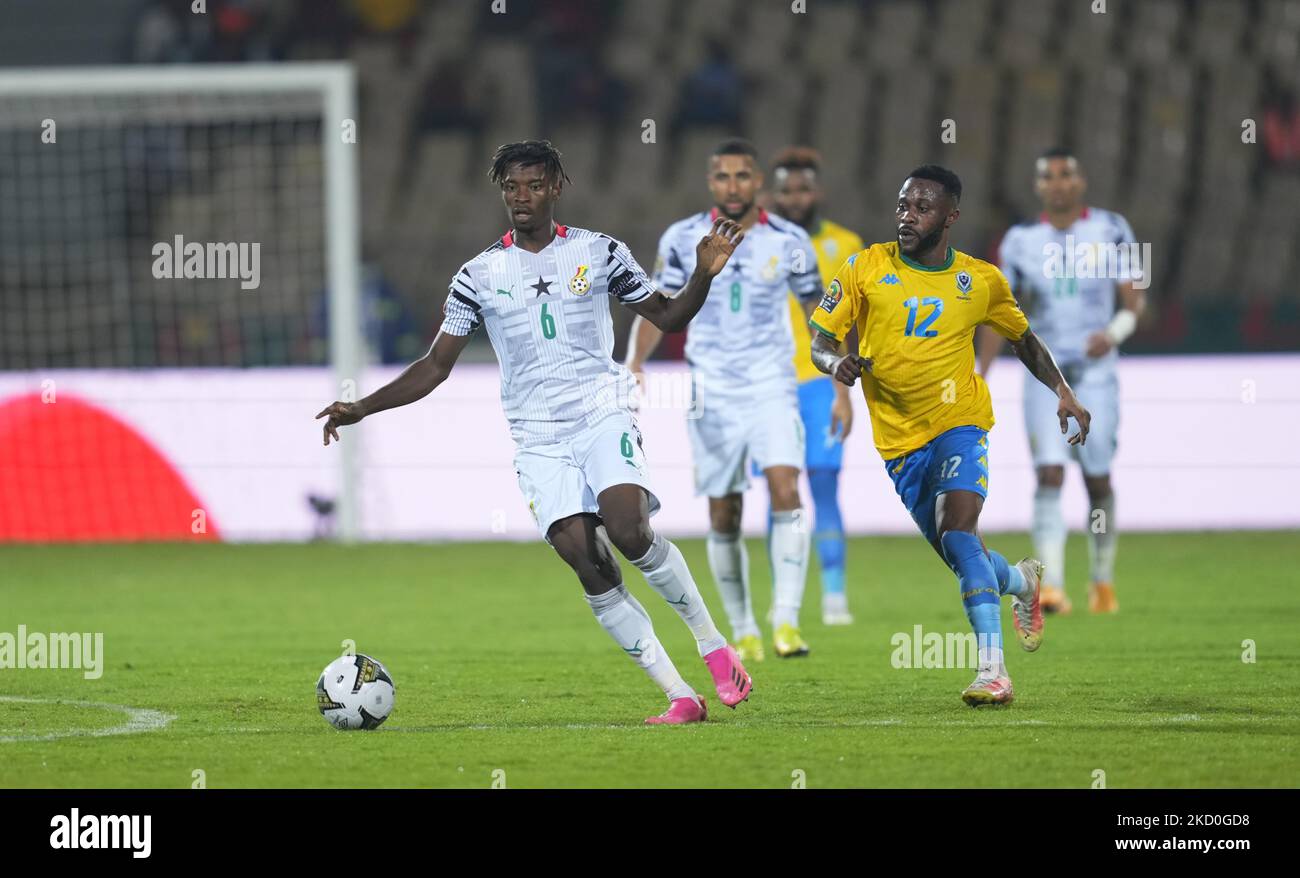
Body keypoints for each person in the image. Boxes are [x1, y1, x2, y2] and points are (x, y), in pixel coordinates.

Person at [317, 141, 752, 724]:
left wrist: (703, 273)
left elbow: (669, 316)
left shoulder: (601, 253)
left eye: (533, 185)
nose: (521, 197)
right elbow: (434, 366)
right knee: (588, 563)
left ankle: (712, 645)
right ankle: (679, 695)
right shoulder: (477, 276)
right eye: (511, 188)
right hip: (538, 437)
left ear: (556, 187)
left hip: (601, 412)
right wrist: (362, 407)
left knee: (627, 530)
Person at [809, 165, 1092, 706]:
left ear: (950, 217)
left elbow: (1023, 338)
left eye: (921, 208)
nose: (907, 216)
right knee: (962, 555)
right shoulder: (865, 266)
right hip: (900, 442)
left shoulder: (980, 280)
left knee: (959, 531)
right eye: (902, 205)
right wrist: (833, 364)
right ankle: (1024, 583)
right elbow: (820, 335)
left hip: (960, 421)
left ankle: (993, 672)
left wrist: (1063, 390)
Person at [626, 139, 822, 662]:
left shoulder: (792, 240)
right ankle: (743, 627)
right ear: (711, 183)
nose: (732, 186)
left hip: (771, 384)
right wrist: (635, 364)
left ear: (757, 182)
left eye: (742, 176)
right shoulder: (683, 236)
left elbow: (816, 313)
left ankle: (786, 621)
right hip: (709, 388)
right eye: (722, 177)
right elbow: (658, 304)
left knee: (786, 486)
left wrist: (839, 382)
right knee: (724, 510)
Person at [978, 148, 1146, 614]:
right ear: (1038, 187)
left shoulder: (1113, 229)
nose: (1057, 183)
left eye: (1065, 175)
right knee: (1049, 473)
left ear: (1081, 182)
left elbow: (1136, 300)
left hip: (1096, 370)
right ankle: (1049, 586)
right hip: (1045, 374)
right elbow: (997, 310)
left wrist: (1112, 334)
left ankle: (1102, 579)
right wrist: (981, 375)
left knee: (1096, 478)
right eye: (1047, 176)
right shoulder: (1019, 240)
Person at [768, 146, 863, 626]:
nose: (795, 197)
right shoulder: (757, 242)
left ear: (817, 192)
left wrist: (844, 392)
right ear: (774, 194)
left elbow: (853, 325)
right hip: (769, 385)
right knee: (778, 489)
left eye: (803, 188)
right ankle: (784, 602)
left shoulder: (847, 245)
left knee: (823, 488)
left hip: (821, 383)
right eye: (786, 189)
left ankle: (833, 596)